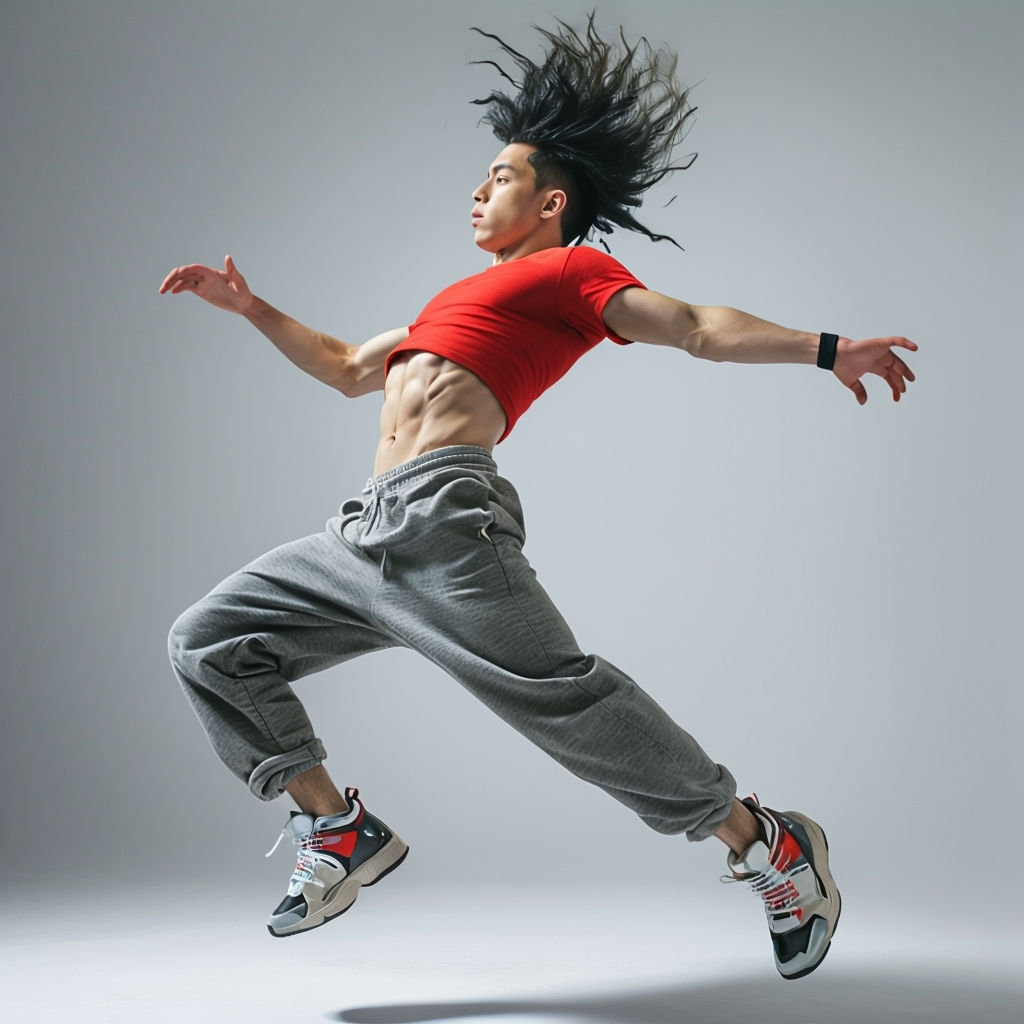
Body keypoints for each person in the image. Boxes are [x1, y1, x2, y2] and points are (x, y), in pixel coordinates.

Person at [160, 16, 915, 980]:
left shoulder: (571, 271)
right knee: (209, 642)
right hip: (362, 534)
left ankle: (765, 840)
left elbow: (691, 326)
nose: (478, 191)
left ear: (551, 201)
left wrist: (825, 347)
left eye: (500, 178)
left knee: (568, 704)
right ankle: (340, 830)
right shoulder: (447, 303)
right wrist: (253, 308)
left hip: (447, 524)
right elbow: (351, 367)